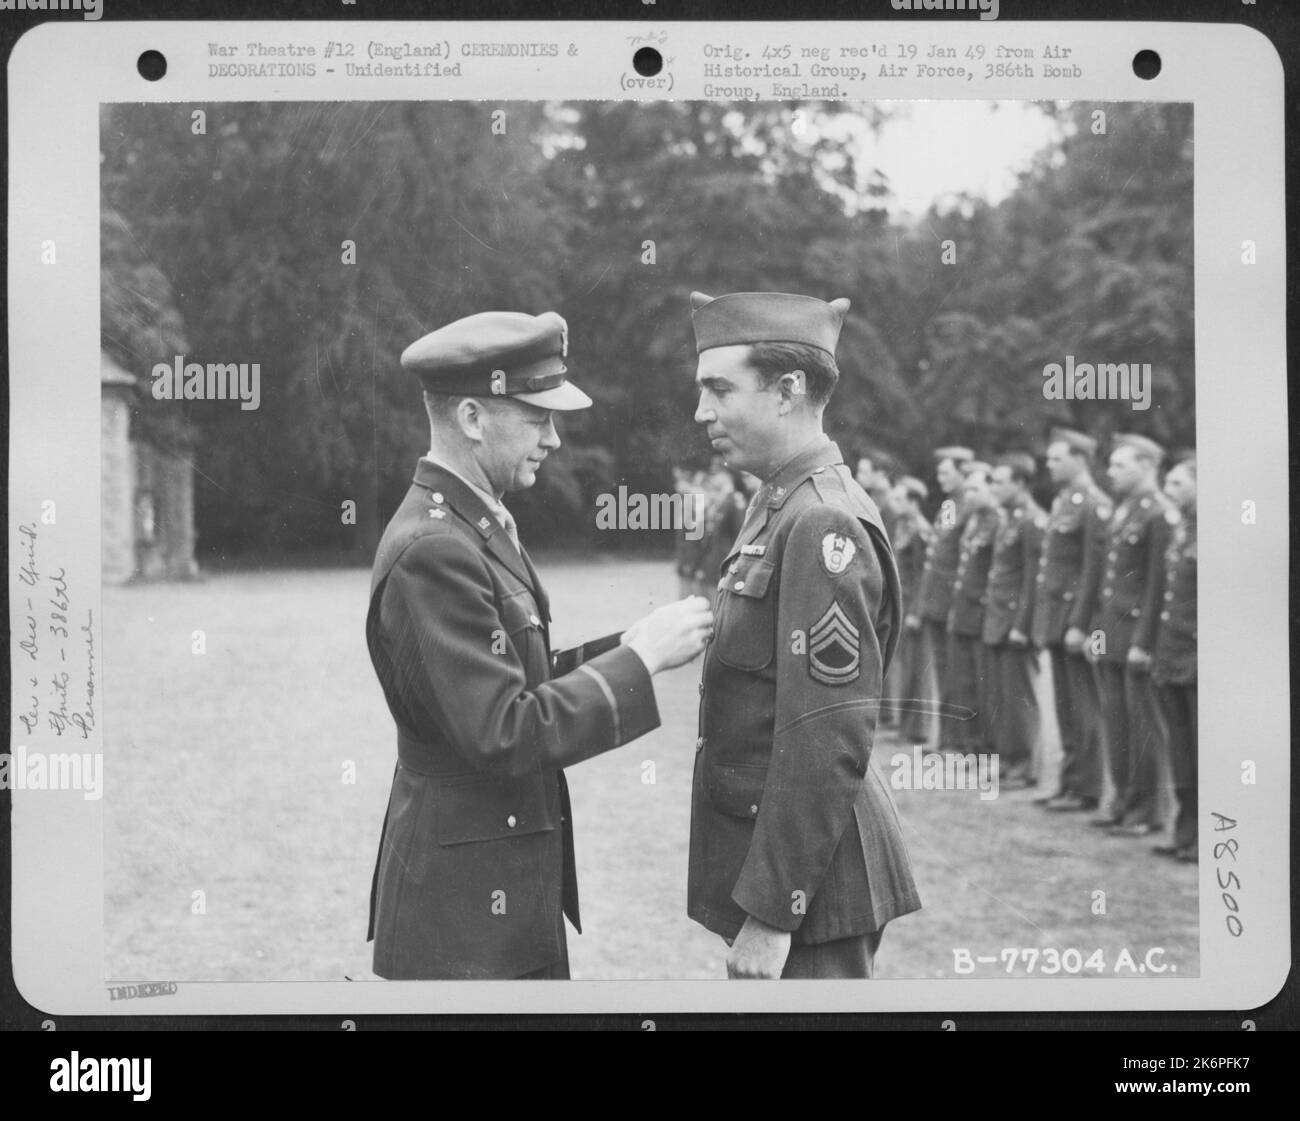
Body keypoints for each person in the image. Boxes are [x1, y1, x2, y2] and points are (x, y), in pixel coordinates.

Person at [365, 308, 713, 980]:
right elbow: (504, 729)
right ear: (471, 418)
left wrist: (629, 643)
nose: (554, 438)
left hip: (494, 882)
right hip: (462, 913)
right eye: (536, 417)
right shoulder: (437, 547)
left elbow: (513, 678)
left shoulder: (475, 521)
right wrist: (638, 663)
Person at [687, 290, 921, 980]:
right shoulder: (778, 499)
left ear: (787, 390)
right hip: (795, 867)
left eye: (718, 390)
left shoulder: (819, 520)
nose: (702, 411)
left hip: (814, 886)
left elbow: (827, 733)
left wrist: (773, 913)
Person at [1080, 434, 1171, 837]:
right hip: (1113, 634)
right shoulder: (1124, 510)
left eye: (1121, 465)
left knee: (1141, 726)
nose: (1111, 472)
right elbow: (1108, 584)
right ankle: (1122, 801)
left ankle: (1147, 810)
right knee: (1117, 723)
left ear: (1147, 465)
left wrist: (1144, 642)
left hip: (1135, 637)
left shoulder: (1157, 514)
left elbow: (1156, 585)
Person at [1031, 428, 1110, 813]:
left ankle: (1088, 788)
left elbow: (1093, 571)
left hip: (1077, 622)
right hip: (1057, 619)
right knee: (1065, 707)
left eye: (1057, 457)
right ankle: (1070, 782)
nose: (1049, 463)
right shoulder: (1065, 500)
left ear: (1080, 459)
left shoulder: (1093, 504)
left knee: (1083, 707)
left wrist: (1081, 624)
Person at [982, 454, 1048, 788]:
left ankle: (1025, 766)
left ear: (1021, 484)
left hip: (1016, 624)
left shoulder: (1033, 521)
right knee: (1004, 696)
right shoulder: (1008, 519)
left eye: (1000, 481)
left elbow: (1035, 580)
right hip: (999, 620)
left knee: (1020, 697)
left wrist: (1023, 625)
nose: (993, 487)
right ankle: (1009, 761)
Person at [909, 445, 975, 750]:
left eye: (946, 472)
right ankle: (947, 739)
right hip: (937, 601)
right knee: (943, 673)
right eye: (939, 472)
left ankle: (957, 741)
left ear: (964, 473)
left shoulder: (969, 505)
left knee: (956, 676)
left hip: (953, 602)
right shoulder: (949, 505)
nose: (940, 477)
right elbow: (937, 555)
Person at [1151, 455, 1197, 862]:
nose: (1170, 491)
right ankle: (1184, 832)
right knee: (1181, 752)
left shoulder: (1215, 534)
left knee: (1203, 752)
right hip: (1174, 656)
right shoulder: (1182, 533)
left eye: (1179, 484)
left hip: (1200, 661)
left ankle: (1206, 839)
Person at [945, 462, 999, 754]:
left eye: (976, 489)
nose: (970, 495)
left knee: (983, 686)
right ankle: (969, 744)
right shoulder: (973, 520)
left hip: (981, 613)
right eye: (968, 490)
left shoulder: (997, 521)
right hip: (963, 611)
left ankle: (984, 747)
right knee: (964, 682)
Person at [887, 476, 935, 745]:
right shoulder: (903, 527)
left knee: (918, 669)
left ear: (914, 502)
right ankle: (906, 726)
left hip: (913, 606)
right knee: (905, 668)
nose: (896, 505)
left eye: (900, 499)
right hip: (903, 603)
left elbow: (922, 576)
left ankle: (919, 728)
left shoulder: (920, 530)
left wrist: (917, 610)